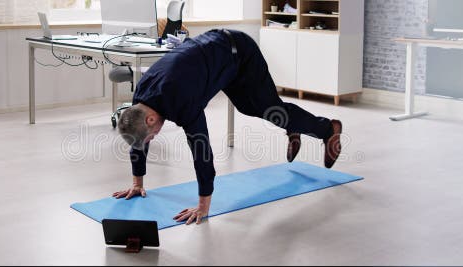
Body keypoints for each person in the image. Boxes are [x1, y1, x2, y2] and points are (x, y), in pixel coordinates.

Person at [113, 29, 342, 225]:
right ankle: (292, 125)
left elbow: (201, 150)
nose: (152, 139)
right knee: (251, 108)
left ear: (150, 120)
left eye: (151, 136)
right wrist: (137, 183)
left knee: (270, 109)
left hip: (240, 52)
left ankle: (328, 130)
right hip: (218, 56)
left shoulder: (180, 100)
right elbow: (138, 139)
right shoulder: (140, 102)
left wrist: (203, 205)